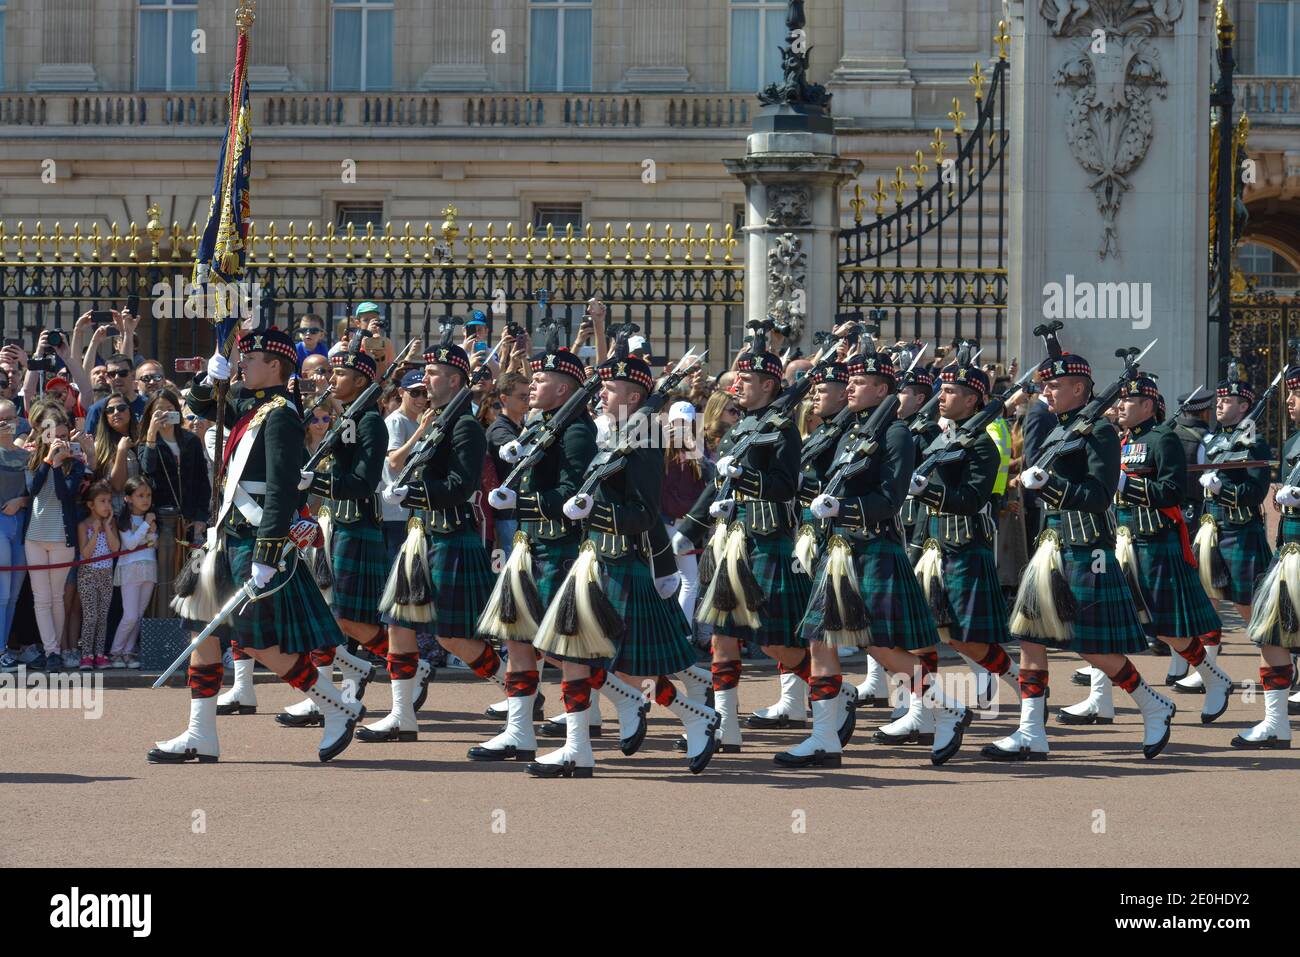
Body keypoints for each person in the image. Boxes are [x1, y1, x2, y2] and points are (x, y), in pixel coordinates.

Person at [150, 327, 363, 764]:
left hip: (255, 540)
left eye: (252, 358)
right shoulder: (253, 404)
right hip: (229, 536)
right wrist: (209, 380)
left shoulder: (281, 413)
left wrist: (267, 553)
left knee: (261, 642)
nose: (243, 363)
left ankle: (337, 708)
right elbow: (203, 405)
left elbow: (282, 488)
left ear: (275, 365)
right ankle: (200, 735)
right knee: (203, 631)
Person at [527, 340, 719, 777]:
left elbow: (644, 514)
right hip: (594, 560)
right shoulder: (611, 435)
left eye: (610, 389)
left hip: (622, 563)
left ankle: (695, 715)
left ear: (634, 397)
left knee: (626, 664)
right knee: (572, 654)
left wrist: (592, 509)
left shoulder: (646, 442)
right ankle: (581, 749)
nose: (601, 395)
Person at [988, 326, 1174, 762]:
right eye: (1045, 386)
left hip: (1085, 545)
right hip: (1051, 546)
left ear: (1079, 387)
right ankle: (1032, 731)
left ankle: (1152, 703)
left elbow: (1098, 495)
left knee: (1090, 646)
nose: (1047, 393)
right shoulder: (1060, 428)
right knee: (1030, 637)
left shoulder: (1100, 434)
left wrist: (1050, 487)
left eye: (1054, 386)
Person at [798, 347, 964, 768]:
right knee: (820, 641)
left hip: (872, 546)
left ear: (882, 389)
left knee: (880, 646)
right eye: (850, 380)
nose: (849, 386)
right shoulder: (851, 432)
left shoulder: (896, 435)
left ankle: (946, 706)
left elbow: (889, 500)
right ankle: (823, 739)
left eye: (859, 382)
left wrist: (842, 509)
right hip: (840, 550)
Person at [672, 325, 815, 755]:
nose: (736, 383)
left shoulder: (781, 429)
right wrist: (690, 529)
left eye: (746, 378)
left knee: (775, 640)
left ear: (768, 384)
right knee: (722, 635)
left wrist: (746, 478)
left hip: (766, 540)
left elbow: (785, 486)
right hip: (731, 542)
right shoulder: (740, 428)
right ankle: (725, 724)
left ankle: (833, 697)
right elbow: (715, 488)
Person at [1059, 374, 1232, 726]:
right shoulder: (1120, 440)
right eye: (1121, 399)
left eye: (1129, 401)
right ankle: (1099, 699)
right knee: (1107, 624)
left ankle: (1215, 678)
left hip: (1154, 542)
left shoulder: (1162, 438)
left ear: (1148, 406)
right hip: (1121, 540)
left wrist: (1128, 483)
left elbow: (1172, 492)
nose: (1120, 406)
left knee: (1166, 628)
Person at [375, 327, 499, 743]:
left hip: (449, 535)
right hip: (420, 536)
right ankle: (401, 714)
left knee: (452, 635)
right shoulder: (434, 422)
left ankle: (515, 688)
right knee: (399, 625)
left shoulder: (464, 426)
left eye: (432, 372)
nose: (424, 379)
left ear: (455, 379)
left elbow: (461, 486)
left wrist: (416, 492)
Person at [481, 330, 599, 758]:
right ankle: (519, 730)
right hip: (532, 547)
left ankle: (657, 704)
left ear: (564, 389)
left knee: (567, 647)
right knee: (518, 639)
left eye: (541, 379)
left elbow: (573, 498)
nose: (532, 384)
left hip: (560, 548)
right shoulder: (542, 424)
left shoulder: (576, 433)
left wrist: (521, 500)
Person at [905, 349, 1021, 721]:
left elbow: (971, 499)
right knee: (922, 631)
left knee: (962, 638)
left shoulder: (983, 443)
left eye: (951, 391)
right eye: (942, 389)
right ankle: (920, 710)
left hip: (963, 544)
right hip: (931, 544)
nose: (942, 395)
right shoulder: (939, 436)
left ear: (972, 399)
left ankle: (1021, 682)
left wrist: (929, 491)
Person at [283, 345, 393, 731]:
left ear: (361, 380)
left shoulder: (370, 422)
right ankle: (323, 692)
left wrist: (320, 481)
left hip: (356, 523)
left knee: (347, 618)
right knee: (327, 612)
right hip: (333, 523)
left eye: (340, 374)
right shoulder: (346, 413)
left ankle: (408, 670)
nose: (332, 379)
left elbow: (363, 481)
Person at [1238, 359, 1300, 748]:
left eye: (1297, 393)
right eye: (1290, 392)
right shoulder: (1293, 441)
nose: (1290, 401)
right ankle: (1276, 722)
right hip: (1291, 551)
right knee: (1270, 633)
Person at [136, 387, 210, 617]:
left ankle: (188, 628)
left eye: (170, 410)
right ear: (150, 415)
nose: (165, 415)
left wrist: (200, 518)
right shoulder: (148, 443)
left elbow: (202, 482)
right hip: (161, 523)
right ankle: (160, 629)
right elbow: (147, 471)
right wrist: (151, 434)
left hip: (189, 521)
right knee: (163, 580)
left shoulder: (191, 441)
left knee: (191, 579)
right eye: (159, 411)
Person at [26, 419, 88, 672]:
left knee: (56, 597)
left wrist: (59, 464)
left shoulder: (76, 465)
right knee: (41, 598)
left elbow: (65, 495)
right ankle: (51, 649)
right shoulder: (33, 462)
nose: (59, 440)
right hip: (35, 538)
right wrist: (49, 461)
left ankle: (54, 651)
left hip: (62, 539)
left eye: (64, 435)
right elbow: (33, 488)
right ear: (44, 437)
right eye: (54, 436)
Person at [382, 370, 431, 562]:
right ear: (402, 392)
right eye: (415, 393)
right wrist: (420, 431)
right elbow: (395, 462)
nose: (421, 398)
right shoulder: (396, 420)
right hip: (395, 512)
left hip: (409, 509)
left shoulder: (412, 421)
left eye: (424, 393)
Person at [110, 476, 157, 669]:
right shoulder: (123, 520)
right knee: (129, 615)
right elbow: (129, 544)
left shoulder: (151, 518)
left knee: (138, 614)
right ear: (128, 498)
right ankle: (115, 652)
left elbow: (154, 543)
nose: (145, 499)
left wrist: (151, 531)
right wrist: (147, 526)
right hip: (130, 569)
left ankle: (128, 652)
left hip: (149, 567)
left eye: (148, 495)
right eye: (140, 495)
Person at [76, 481, 119, 669]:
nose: (107, 505)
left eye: (109, 501)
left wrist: (107, 527)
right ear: (91, 505)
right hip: (88, 576)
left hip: (106, 575)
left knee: (103, 617)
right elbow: (85, 554)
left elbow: (115, 548)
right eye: (102, 501)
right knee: (90, 616)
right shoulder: (84, 525)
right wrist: (95, 532)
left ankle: (100, 654)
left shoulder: (112, 523)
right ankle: (86, 654)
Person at [486, 371, 529, 552]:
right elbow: (516, 451)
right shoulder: (499, 430)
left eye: (529, 395)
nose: (527, 400)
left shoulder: (519, 426)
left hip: (520, 511)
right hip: (506, 516)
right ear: (504, 398)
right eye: (522, 396)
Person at [0, 400, 29, 648]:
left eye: (9, 418)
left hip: (21, 525)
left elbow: (39, 492)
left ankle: (4, 648)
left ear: (18, 420)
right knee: (2, 595)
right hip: (1, 526)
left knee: (14, 596)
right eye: (0, 419)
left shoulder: (27, 456)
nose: (5, 423)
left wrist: (21, 501)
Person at [92, 390, 141, 513]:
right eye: (110, 410)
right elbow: (118, 486)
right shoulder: (99, 447)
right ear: (105, 416)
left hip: (144, 515)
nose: (115, 412)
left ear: (130, 411)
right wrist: (122, 450)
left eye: (121, 408)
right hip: (115, 516)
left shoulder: (142, 440)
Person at [83, 354, 146, 438]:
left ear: (133, 375)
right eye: (112, 374)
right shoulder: (97, 409)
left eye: (122, 373)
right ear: (107, 378)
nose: (117, 378)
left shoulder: (148, 404)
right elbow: (88, 444)